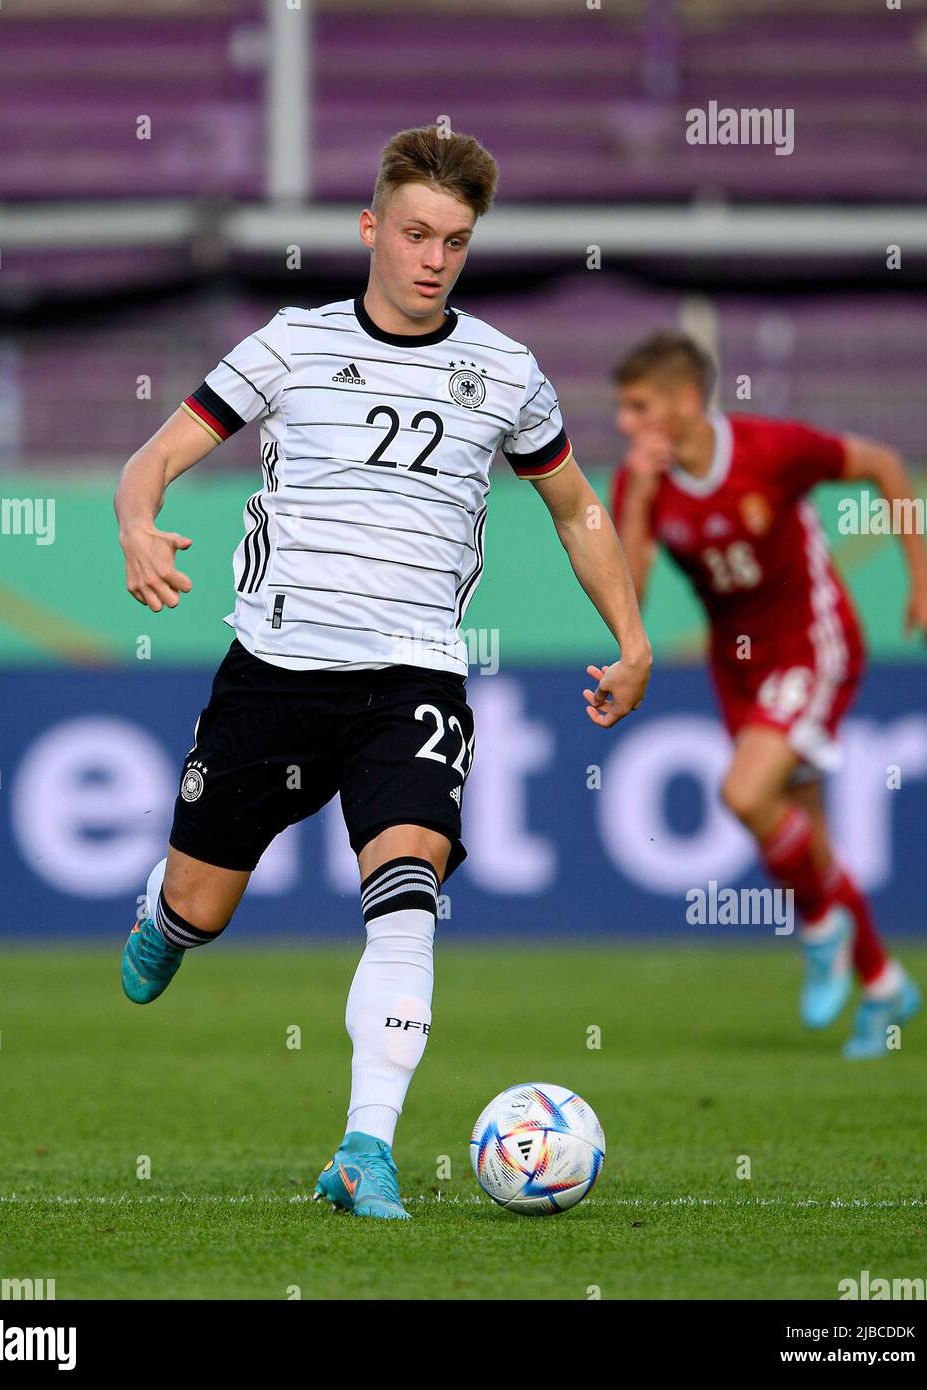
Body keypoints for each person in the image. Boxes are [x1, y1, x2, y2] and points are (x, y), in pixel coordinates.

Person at [112, 125, 651, 1220]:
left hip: (413, 680)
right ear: (370, 229)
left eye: (453, 240)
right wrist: (136, 521)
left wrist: (631, 636)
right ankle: (167, 924)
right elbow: (157, 454)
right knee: (197, 900)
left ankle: (365, 1148)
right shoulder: (286, 345)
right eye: (413, 233)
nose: (432, 257)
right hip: (273, 674)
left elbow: (575, 506)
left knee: (406, 894)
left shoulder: (504, 371)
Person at [610, 331, 927, 1058]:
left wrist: (924, 582)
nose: (625, 425)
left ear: (678, 401)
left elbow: (884, 465)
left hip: (810, 643)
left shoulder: (770, 450)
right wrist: (637, 497)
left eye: (637, 408)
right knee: (798, 832)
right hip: (737, 671)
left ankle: (823, 928)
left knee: (743, 794)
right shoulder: (643, 480)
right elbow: (628, 598)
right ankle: (886, 984)